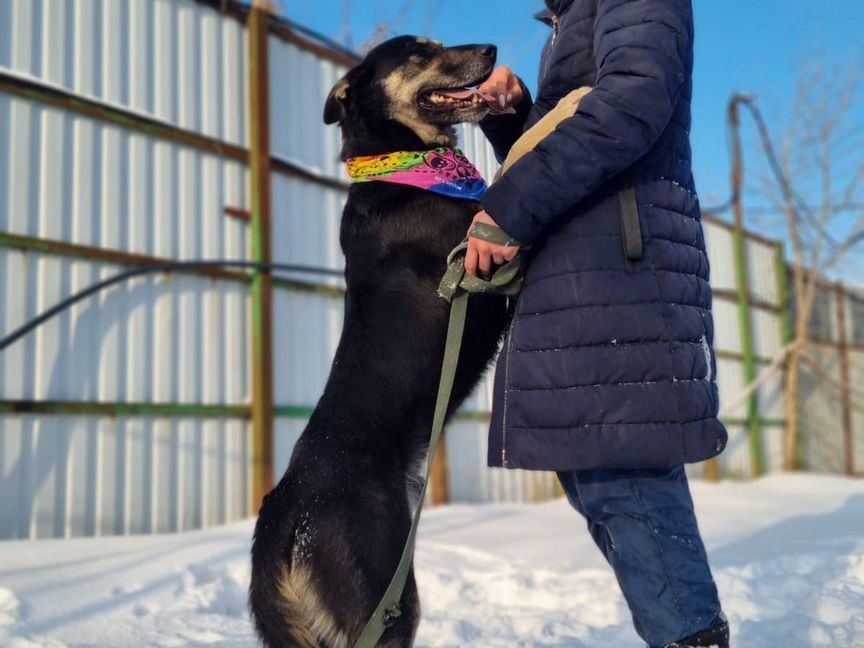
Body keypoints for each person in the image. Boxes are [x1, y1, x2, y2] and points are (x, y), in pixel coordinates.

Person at [464, 1, 730, 647]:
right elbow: (579, 127)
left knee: (625, 475)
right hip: (591, 264)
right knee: (603, 482)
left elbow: (632, 103)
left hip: (616, 267)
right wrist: (517, 120)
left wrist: (512, 207)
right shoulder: (577, 16)